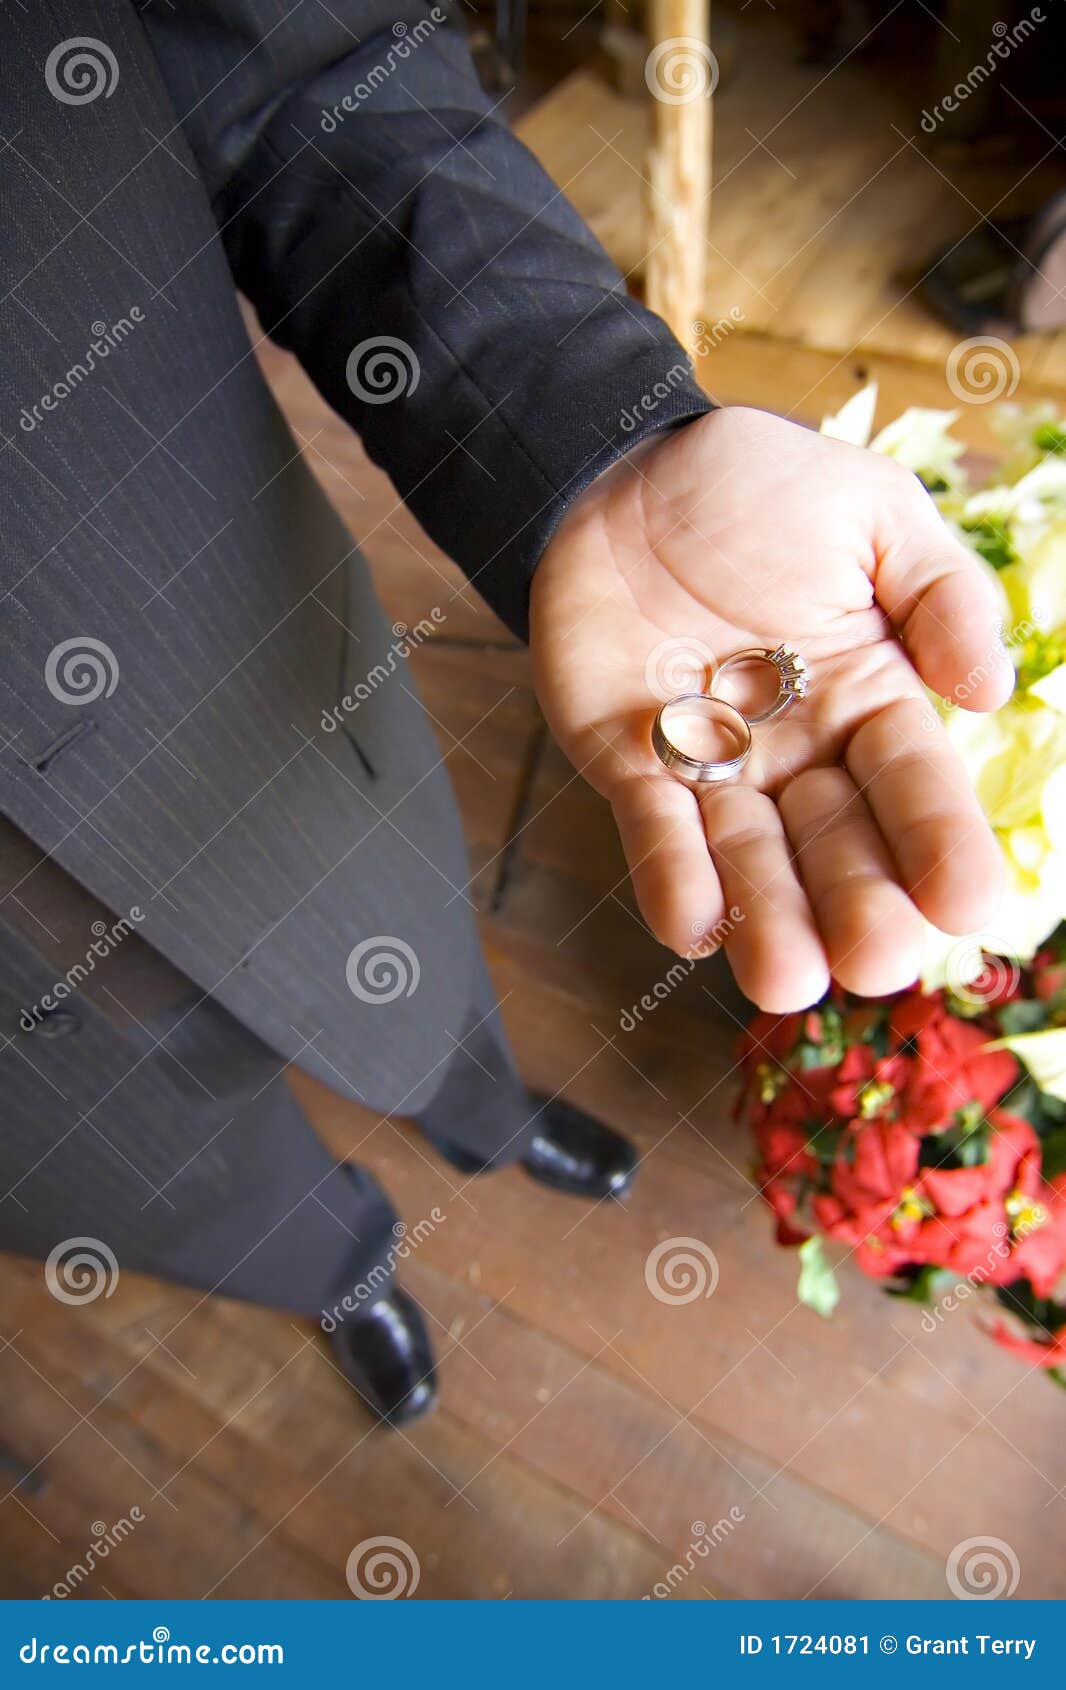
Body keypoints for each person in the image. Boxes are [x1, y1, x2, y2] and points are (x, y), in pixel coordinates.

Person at [0, 1, 1010, 1425]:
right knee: (141, 1161)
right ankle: (336, 1268)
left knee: (394, 960)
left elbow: (298, 64)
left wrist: (595, 436)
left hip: (206, 655)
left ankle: (482, 1106)